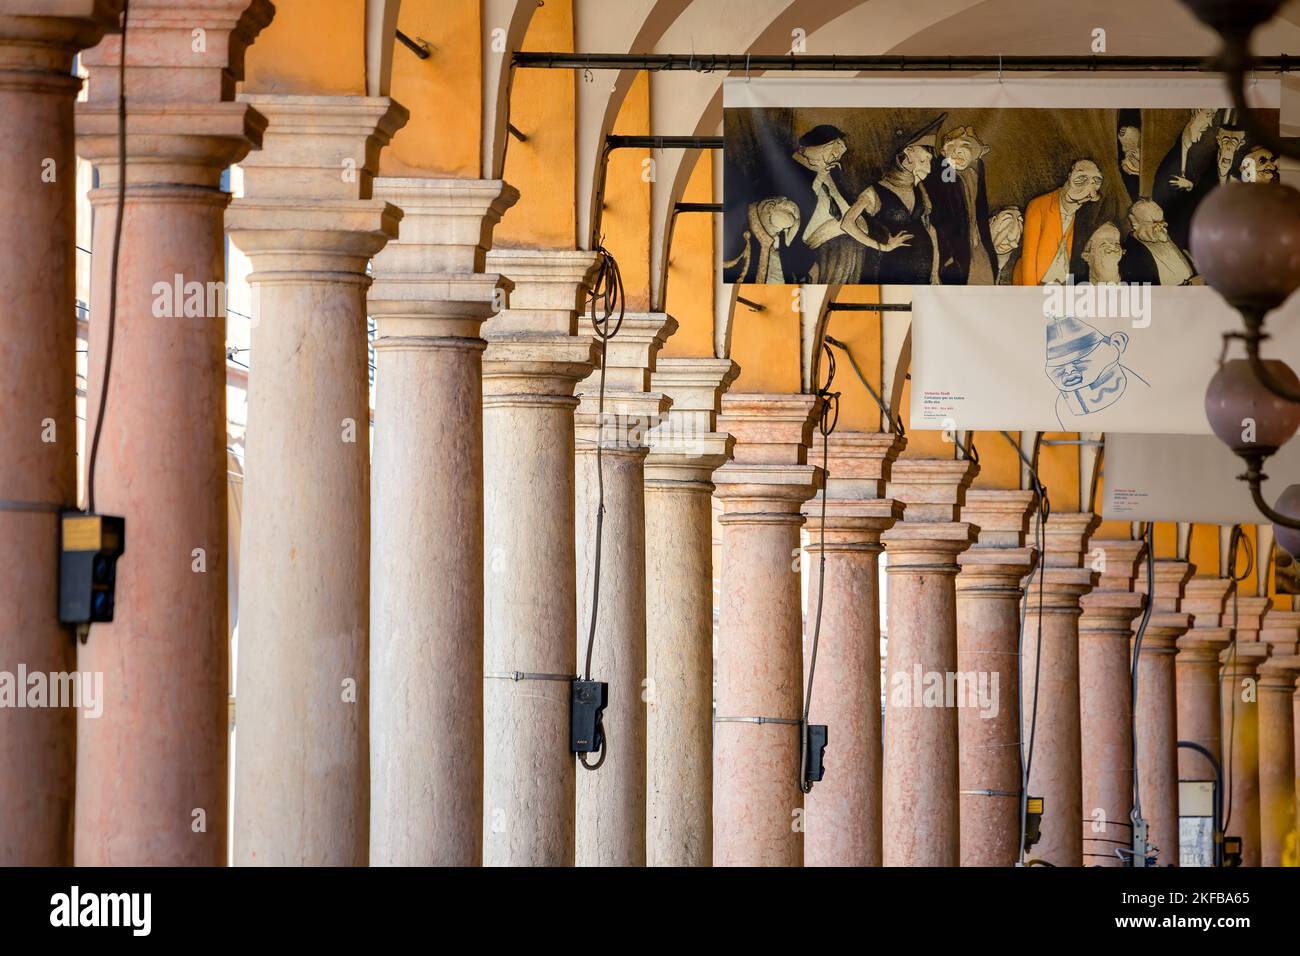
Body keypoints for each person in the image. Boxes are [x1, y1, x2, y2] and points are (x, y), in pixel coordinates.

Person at [839, 113, 945, 285]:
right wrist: (883, 247)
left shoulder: (920, 190)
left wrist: (935, 272)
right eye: (924, 160)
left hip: (924, 272)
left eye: (929, 162)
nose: (929, 168)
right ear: (909, 153)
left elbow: (930, 229)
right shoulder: (875, 192)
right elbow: (847, 224)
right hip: (890, 271)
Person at [1044, 313, 1148, 429]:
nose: (1069, 373)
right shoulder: (1061, 408)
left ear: (1117, 343)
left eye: (1079, 360)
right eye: (1059, 367)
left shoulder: (1142, 394)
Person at [1014, 159, 1104, 286]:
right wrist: (1031, 293)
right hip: (1037, 283)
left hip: (1064, 284)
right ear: (1069, 176)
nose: (1088, 186)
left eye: (1096, 180)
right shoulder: (1039, 205)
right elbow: (1029, 256)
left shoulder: (1086, 211)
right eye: (1081, 178)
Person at [791, 125, 861, 283]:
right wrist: (819, 177)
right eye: (834, 149)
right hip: (815, 240)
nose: (837, 157)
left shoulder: (829, 168)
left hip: (843, 230)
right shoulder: (793, 169)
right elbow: (801, 207)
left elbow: (842, 198)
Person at [927, 125, 997, 285]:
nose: (957, 153)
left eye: (965, 146)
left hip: (976, 243)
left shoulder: (976, 169)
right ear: (944, 153)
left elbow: (980, 210)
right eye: (951, 147)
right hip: (952, 249)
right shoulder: (945, 171)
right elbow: (943, 215)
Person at [1151, 107, 1217, 249]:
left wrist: (1191, 186)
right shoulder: (1174, 158)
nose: (1210, 123)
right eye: (1208, 115)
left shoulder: (1198, 153)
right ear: (1196, 112)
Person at [1120, 198, 1200, 286]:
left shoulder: (1168, 237)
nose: (1161, 226)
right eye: (1154, 222)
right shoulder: (1130, 254)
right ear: (1135, 224)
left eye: (1162, 221)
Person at [989, 206, 1023, 285]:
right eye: (1006, 223)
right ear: (990, 222)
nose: (1012, 238)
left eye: (1019, 223)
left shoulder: (1020, 266)